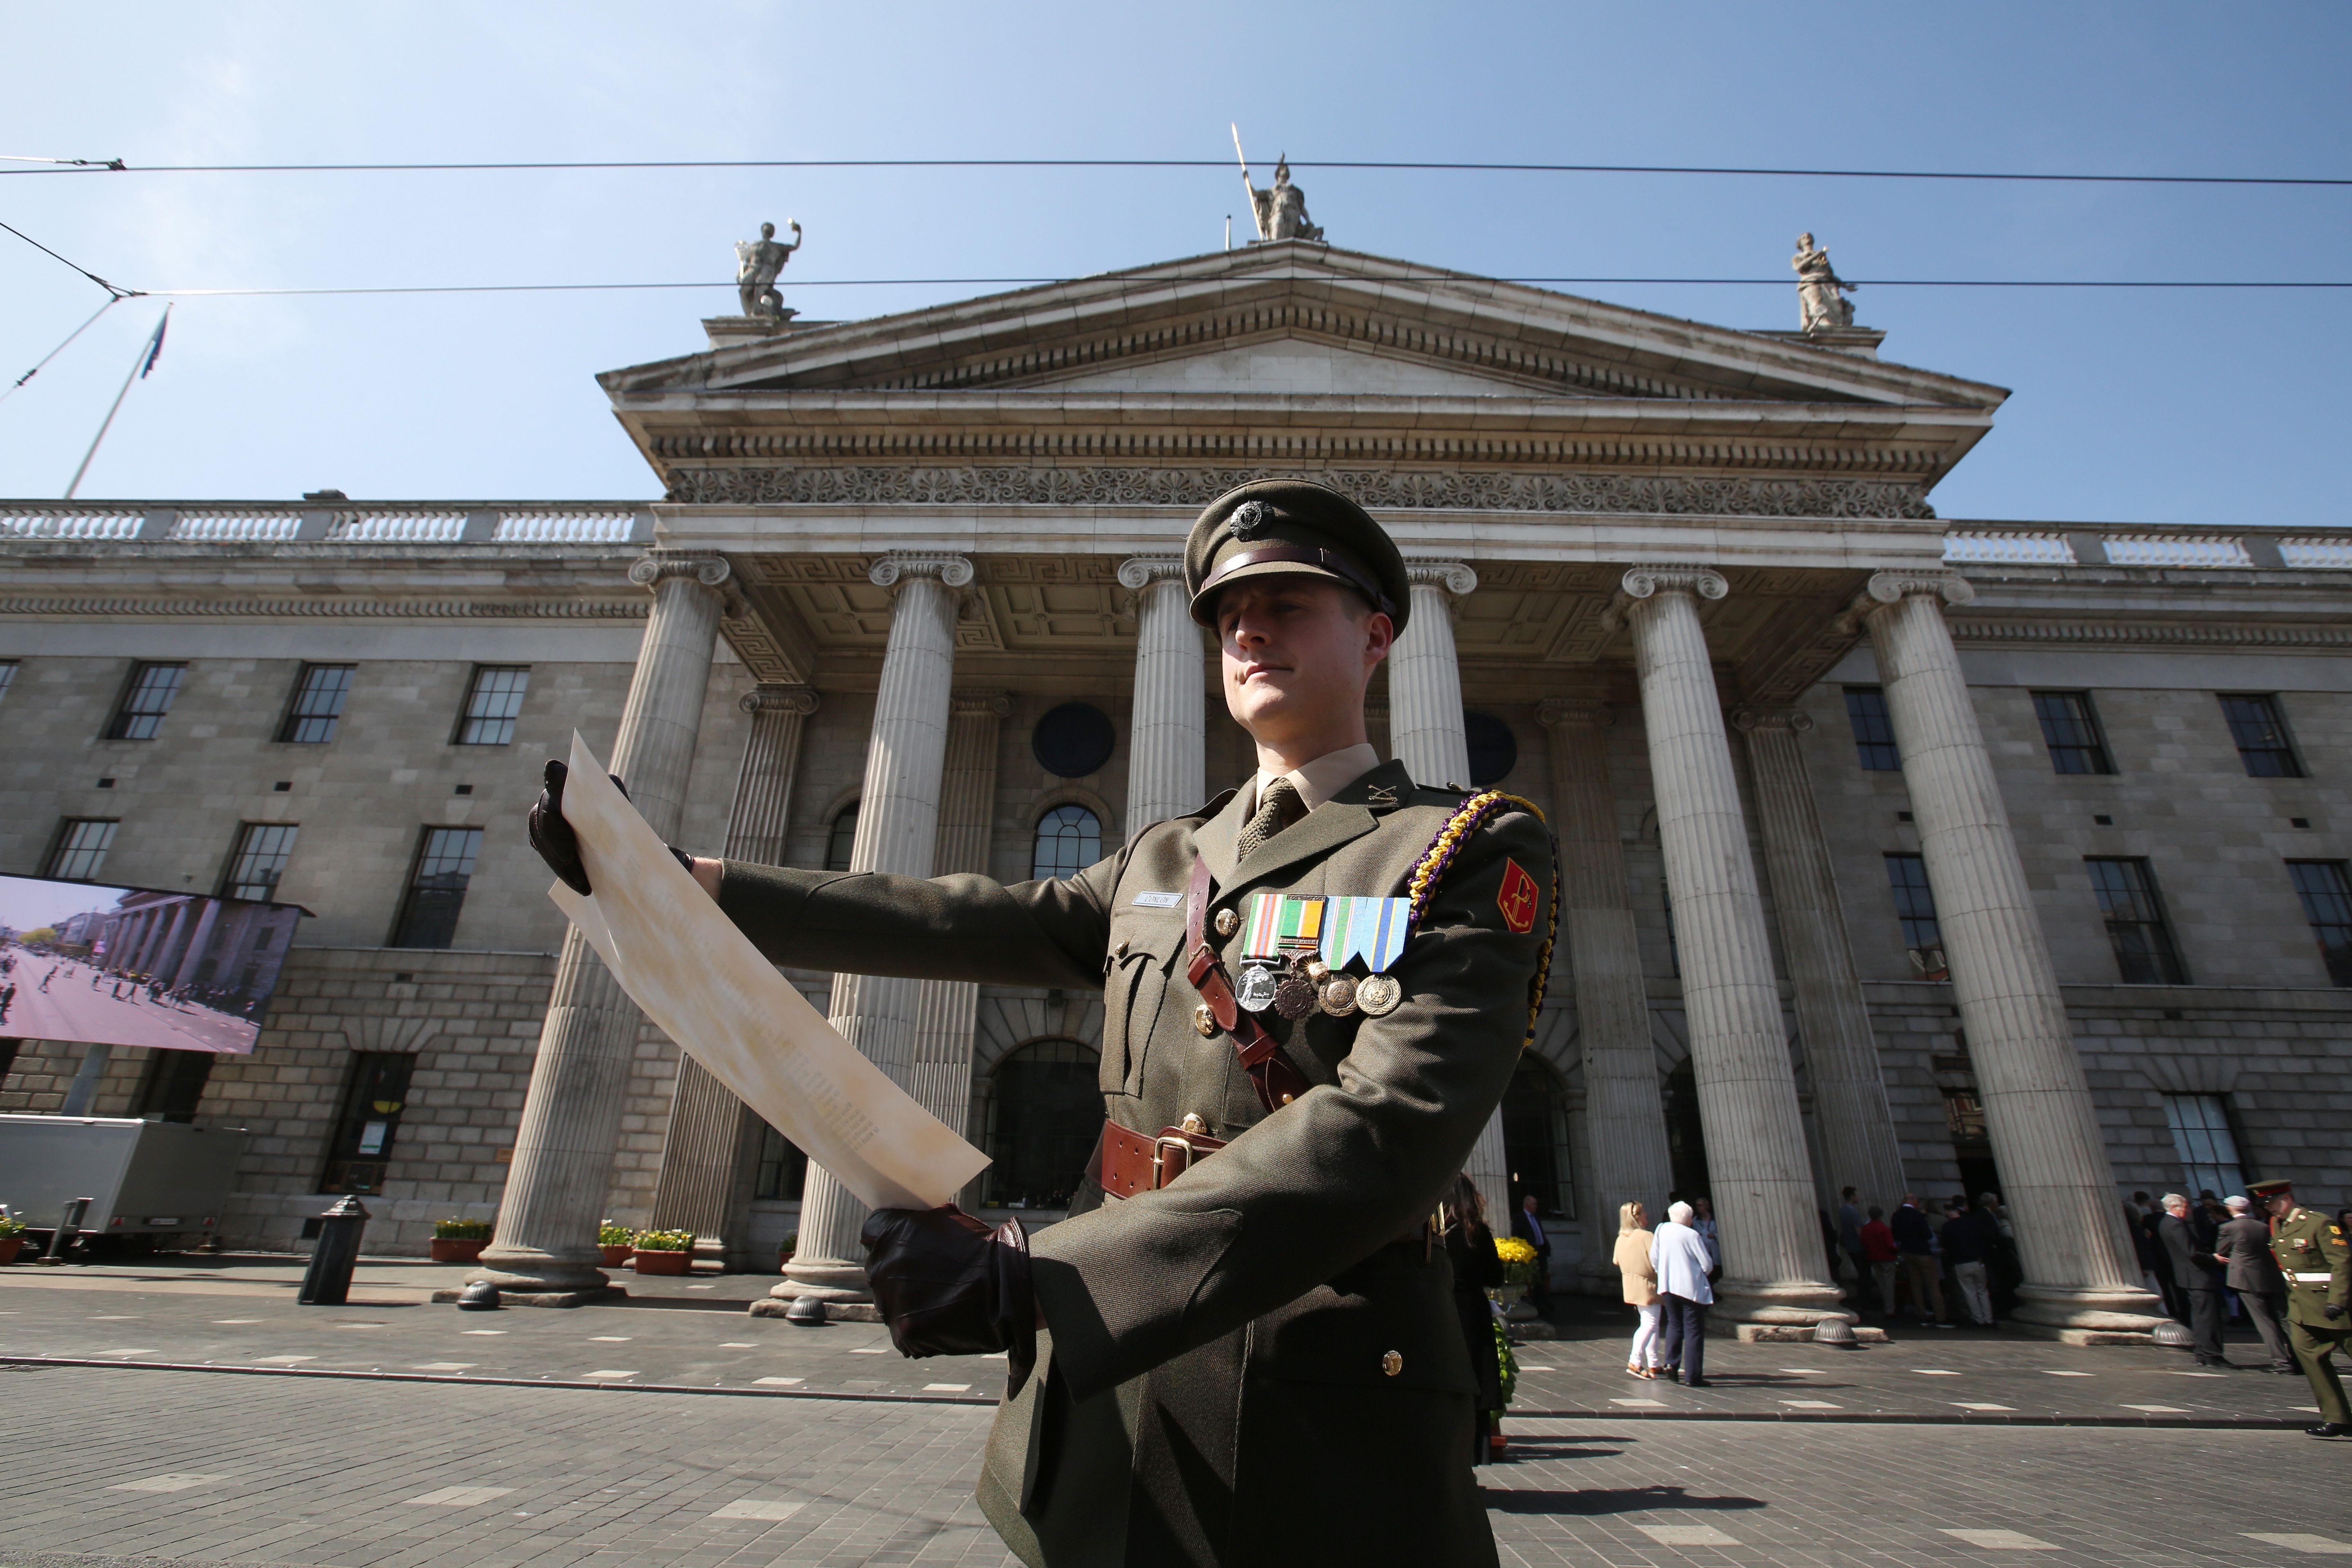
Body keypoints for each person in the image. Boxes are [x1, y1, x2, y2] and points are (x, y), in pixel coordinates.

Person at [536, 478, 1558, 1566]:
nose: (1249, 628)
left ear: (1377, 634)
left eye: (1292, 602)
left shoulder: (1459, 849)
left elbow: (1392, 1126)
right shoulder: (1175, 855)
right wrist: (685, 882)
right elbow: (963, 919)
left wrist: (1044, 1276)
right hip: (1114, 1376)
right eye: (1228, 615)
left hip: (1316, 1371)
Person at [2251, 1178, 2351, 1437]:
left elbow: (2342, 1263)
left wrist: (2338, 1301)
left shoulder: (2319, 1223)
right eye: (2265, 1204)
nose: (2268, 1208)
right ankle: (2337, 1417)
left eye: (2271, 1202)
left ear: (2287, 1198)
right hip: (2301, 1306)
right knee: (2308, 1355)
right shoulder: (2277, 1225)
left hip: (2333, 1305)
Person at [1441, 1174, 1507, 1463]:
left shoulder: (1438, 1235)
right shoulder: (1476, 1232)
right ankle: (1474, 1454)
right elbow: (1496, 1277)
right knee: (1475, 1382)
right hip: (1474, 1313)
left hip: (1444, 1309)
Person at [2214, 1194, 2294, 1374]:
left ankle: (2282, 1362)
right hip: (2271, 1276)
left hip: (2246, 1279)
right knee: (2284, 1320)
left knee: (2264, 1322)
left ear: (2230, 1208)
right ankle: (2299, 1359)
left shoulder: (2228, 1228)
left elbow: (2221, 1251)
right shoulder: (2263, 1226)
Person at [2158, 1191, 2228, 1367]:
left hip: (2189, 1277)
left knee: (2200, 1317)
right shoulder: (2176, 1225)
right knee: (2208, 1317)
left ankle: (2203, 1353)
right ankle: (2213, 1355)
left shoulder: (2166, 1224)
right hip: (2198, 1277)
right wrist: (2214, 1258)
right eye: (2185, 1207)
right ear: (2174, 1207)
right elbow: (2191, 1253)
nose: (2187, 1211)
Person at [1650, 1200, 1716, 1387]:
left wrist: (1661, 1272)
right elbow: (1707, 1264)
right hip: (1689, 1288)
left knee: (1674, 1324)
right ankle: (1693, 1375)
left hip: (1668, 1284)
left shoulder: (1661, 1230)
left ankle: (1672, 1364)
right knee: (1693, 1330)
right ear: (1688, 1218)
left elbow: (1654, 1258)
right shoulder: (1692, 1235)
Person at [1613, 1200, 1662, 1379]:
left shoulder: (1621, 1238)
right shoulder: (1646, 1236)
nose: (1646, 1215)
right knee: (1650, 1323)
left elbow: (1616, 1261)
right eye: (1642, 1212)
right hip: (1648, 1284)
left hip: (1631, 1283)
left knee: (1651, 1322)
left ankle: (1654, 1362)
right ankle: (1635, 1360)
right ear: (1635, 1217)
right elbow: (1657, 1261)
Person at [1889, 1194, 1949, 1327]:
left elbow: (1895, 1235)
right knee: (1933, 1284)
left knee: (1916, 1285)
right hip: (1922, 1252)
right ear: (1914, 1202)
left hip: (1907, 1252)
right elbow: (1928, 1235)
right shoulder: (1918, 1215)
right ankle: (1941, 1316)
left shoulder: (1896, 1215)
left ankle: (1922, 1315)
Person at [1940, 1196, 1996, 1327]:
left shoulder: (1948, 1226)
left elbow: (1944, 1246)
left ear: (1948, 1212)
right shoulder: (1973, 1222)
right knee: (1983, 1291)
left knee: (1970, 1292)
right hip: (1977, 1261)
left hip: (1961, 1263)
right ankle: (1989, 1319)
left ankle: (1979, 1319)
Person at [1513, 1192, 1553, 1314]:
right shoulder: (1519, 1218)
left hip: (1541, 1252)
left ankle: (1542, 1303)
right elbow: (1517, 1236)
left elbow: (1540, 1233)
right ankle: (1543, 1303)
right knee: (1536, 1279)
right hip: (1531, 1254)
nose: (1537, 1206)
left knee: (1541, 1276)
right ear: (1527, 1205)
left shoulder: (1537, 1217)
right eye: (1534, 1204)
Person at [1860, 1204, 1899, 1316]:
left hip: (1874, 1258)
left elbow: (1864, 1242)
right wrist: (1897, 1250)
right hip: (1887, 1258)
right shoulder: (1884, 1228)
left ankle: (1886, 1306)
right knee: (1889, 1285)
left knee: (1882, 1284)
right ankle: (1890, 1309)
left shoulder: (1867, 1228)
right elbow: (1890, 1245)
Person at [1837, 1186, 1868, 1293]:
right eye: (1856, 1196)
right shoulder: (1853, 1212)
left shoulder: (1842, 1211)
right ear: (1852, 1197)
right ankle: (1864, 1300)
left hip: (1850, 1246)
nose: (1858, 1198)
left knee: (1861, 1273)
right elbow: (1859, 1232)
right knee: (1864, 1274)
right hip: (1858, 1247)